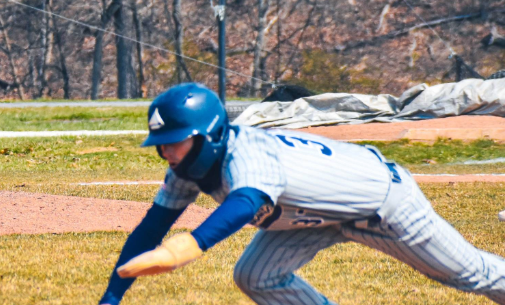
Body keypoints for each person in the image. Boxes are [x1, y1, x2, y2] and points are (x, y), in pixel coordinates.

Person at [99, 83, 505, 305]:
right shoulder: (188, 167)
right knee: (256, 276)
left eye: (176, 140)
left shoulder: (246, 153)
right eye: (162, 142)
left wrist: (186, 248)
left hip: (383, 202)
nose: (166, 150)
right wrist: (111, 298)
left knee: (470, 274)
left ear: (209, 136)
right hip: (308, 213)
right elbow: (148, 230)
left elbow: (246, 203)